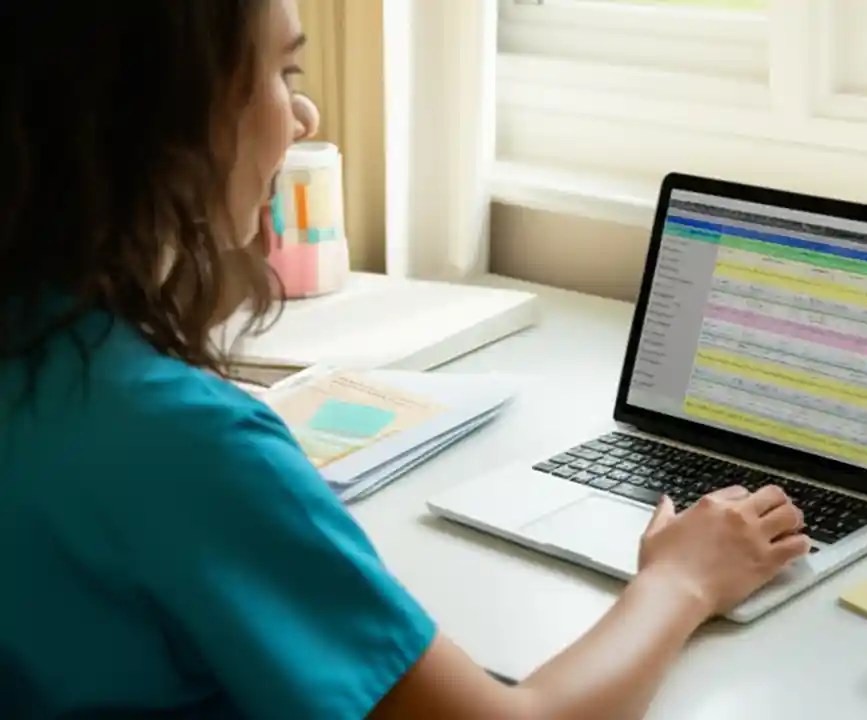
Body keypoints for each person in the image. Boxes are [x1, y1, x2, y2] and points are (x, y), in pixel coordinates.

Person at [0, 2, 810, 718]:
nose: (306, 113)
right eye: (284, 73)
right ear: (166, 120)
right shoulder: (184, 446)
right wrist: (681, 582)